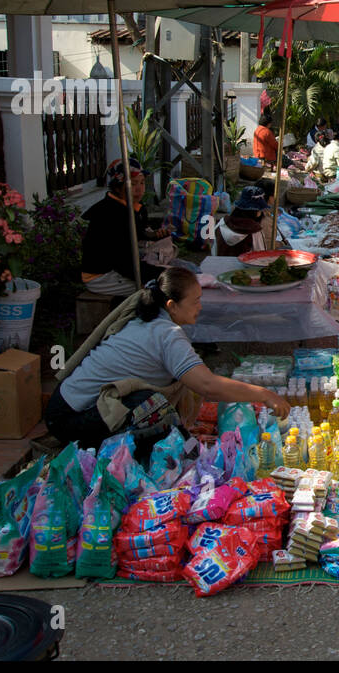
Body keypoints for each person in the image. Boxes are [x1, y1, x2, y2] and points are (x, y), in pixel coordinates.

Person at [46, 267, 291, 454]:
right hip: (69, 418)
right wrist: (263, 394)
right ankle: (154, 455)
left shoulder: (148, 320)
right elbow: (206, 385)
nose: (200, 307)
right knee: (151, 407)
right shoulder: (166, 335)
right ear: (172, 306)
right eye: (195, 301)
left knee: (154, 407)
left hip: (64, 408)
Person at [81, 157, 164, 298]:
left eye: (142, 182)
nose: (139, 189)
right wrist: (159, 273)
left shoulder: (130, 207)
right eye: (133, 184)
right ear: (117, 187)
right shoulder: (111, 214)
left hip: (121, 267)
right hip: (102, 276)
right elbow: (123, 262)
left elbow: (137, 235)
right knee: (165, 287)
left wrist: (155, 235)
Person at [215, 186, 268, 257]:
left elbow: (214, 249)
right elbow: (261, 256)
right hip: (244, 267)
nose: (262, 212)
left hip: (219, 264)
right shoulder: (255, 231)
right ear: (255, 211)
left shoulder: (222, 222)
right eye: (260, 209)